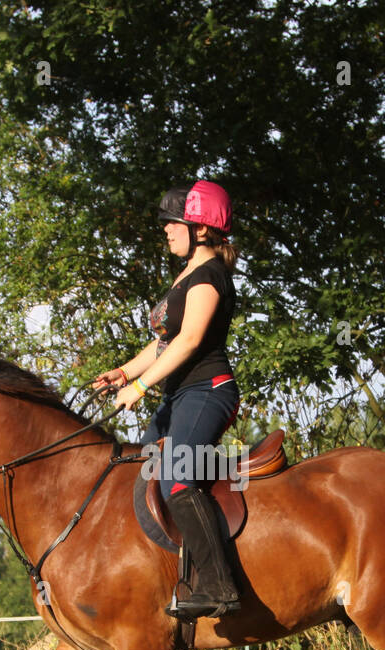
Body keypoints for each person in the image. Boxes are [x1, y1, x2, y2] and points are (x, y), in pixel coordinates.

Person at [91, 180, 241, 620]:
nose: (166, 232)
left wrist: (138, 389)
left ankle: (219, 586)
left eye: (173, 224)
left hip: (207, 391)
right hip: (178, 394)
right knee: (139, 476)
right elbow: (163, 344)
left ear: (199, 228)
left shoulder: (209, 276)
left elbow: (190, 341)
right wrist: (125, 371)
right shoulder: (186, 276)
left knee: (177, 479)